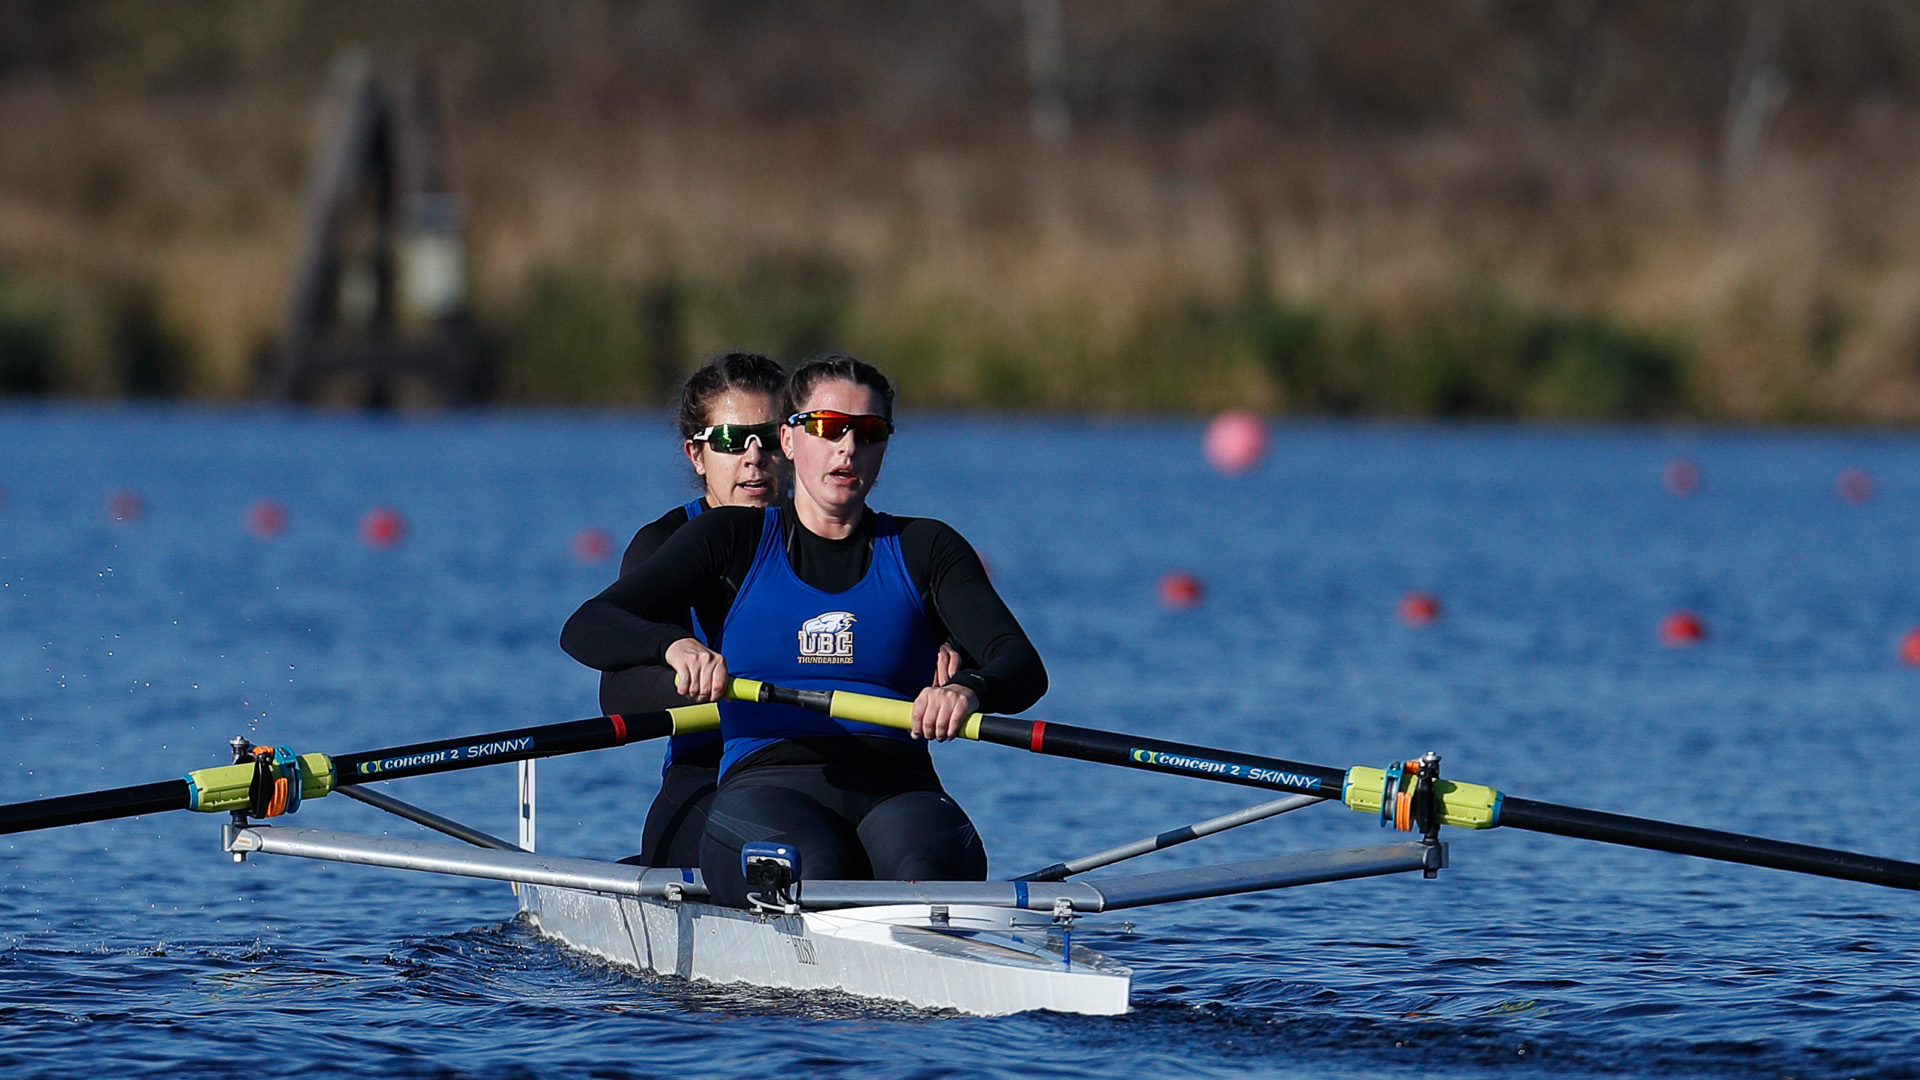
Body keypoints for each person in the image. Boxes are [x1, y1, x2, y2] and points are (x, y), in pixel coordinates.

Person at [562, 354, 1045, 906]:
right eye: (828, 428)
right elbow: (589, 627)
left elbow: (1020, 664)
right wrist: (676, 651)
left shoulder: (928, 547)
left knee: (925, 866)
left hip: (896, 782)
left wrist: (968, 684)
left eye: (868, 431)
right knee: (816, 868)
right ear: (795, 440)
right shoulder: (721, 540)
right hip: (750, 773)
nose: (847, 447)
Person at [599, 351, 788, 868]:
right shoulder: (664, 545)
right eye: (730, 440)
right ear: (696, 455)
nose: (754, 457)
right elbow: (618, 692)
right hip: (709, 766)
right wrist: (689, 672)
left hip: (826, 762)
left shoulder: (840, 536)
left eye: (769, 437)